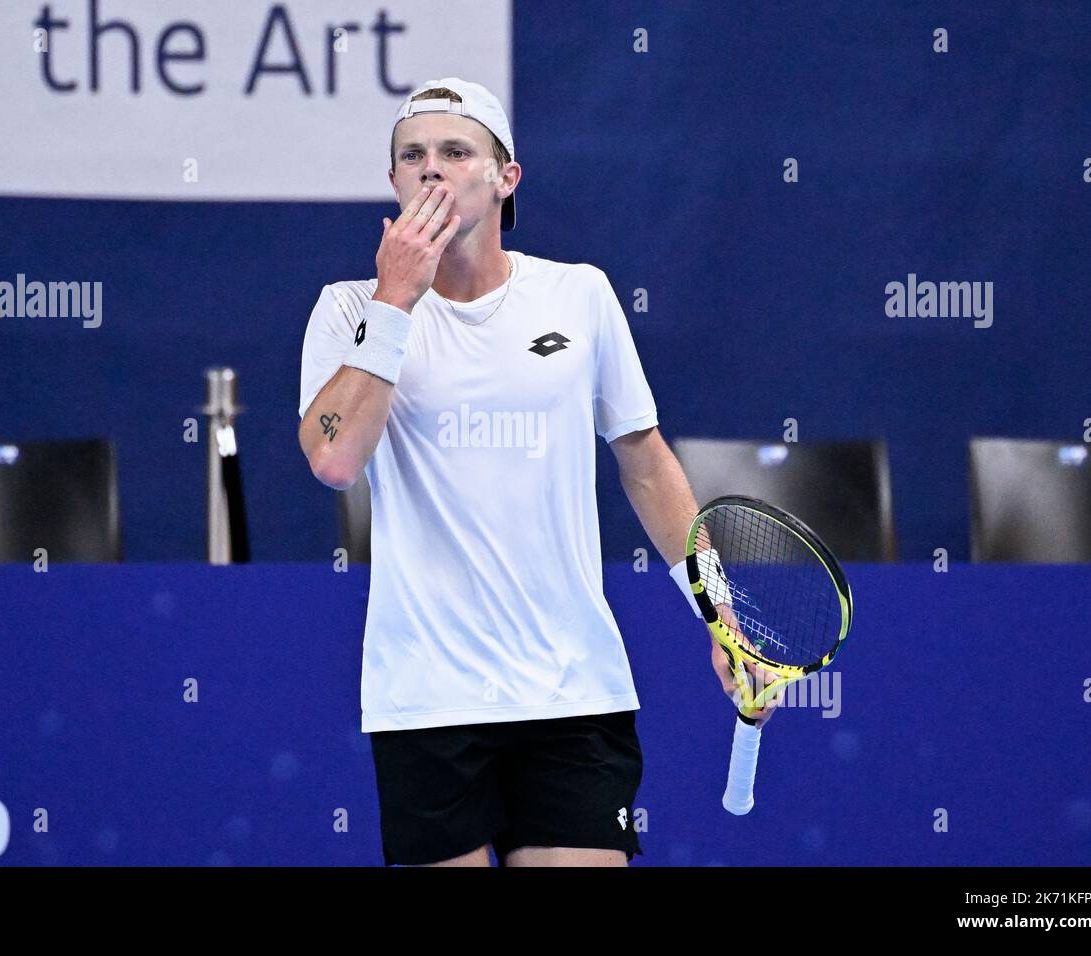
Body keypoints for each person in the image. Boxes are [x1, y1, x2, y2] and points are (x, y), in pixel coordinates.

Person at [297, 77, 778, 867]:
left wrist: (720, 616)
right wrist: (394, 302)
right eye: (412, 156)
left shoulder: (579, 294)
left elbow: (648, 466)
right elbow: (334, 457)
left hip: (571, 691)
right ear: (391, 181)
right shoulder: (346, 309)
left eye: (456, 152)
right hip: (424, 697)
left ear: (505, 177)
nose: (432, 170)